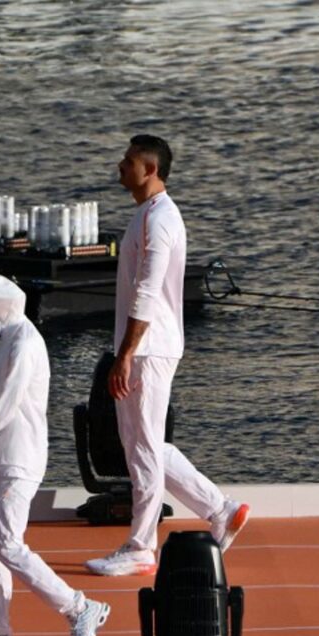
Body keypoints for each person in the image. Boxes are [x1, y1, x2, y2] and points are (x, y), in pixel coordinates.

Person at [85, 135, 250, 577]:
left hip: (148, 350)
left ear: (151, 169)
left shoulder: (159, 219)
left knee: (141, 448)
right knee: (147, 444)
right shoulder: (148, 214)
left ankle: (141, 546)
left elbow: (148, 289)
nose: (121, 166)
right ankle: (221, 508)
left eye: (129, 161)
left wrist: (125, 354)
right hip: (149, 347)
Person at [0, 274, 110, 636]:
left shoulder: (24, 343)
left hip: (19, 458)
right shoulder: (6, 344)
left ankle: (78, 607)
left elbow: (4, 405)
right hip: (2, 457)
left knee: (7, 544)